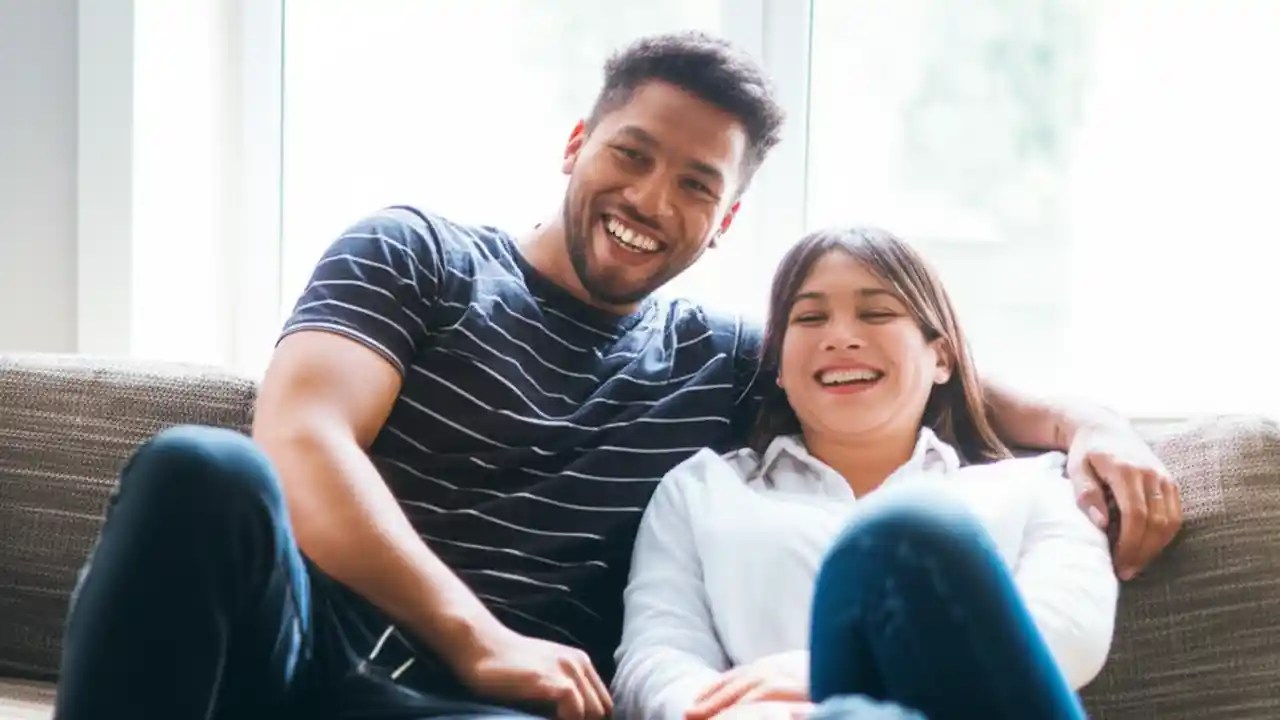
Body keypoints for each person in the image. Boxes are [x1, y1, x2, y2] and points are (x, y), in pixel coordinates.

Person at [53, 31, 1178, 720]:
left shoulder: (728, 360)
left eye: (694, 184)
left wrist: (1094, 423)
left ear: (725, 217)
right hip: (295, 635)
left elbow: (898, 366)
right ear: (575, 142)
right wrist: (477, 637)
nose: (650, 200)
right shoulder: (419, 254)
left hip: (466, 713)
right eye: (630, 154)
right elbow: (300, 444)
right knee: (201, 468)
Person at [612, 227, 1127, 720]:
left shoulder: (1036, 487)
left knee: (906, 532)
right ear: (779, 368)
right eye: (810, 319)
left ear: (941, 357)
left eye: (876, 312)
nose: (840, 338)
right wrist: (723, 712)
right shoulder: (702, 491)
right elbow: (656, 657)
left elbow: (1069, 632)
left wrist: (828, 674)